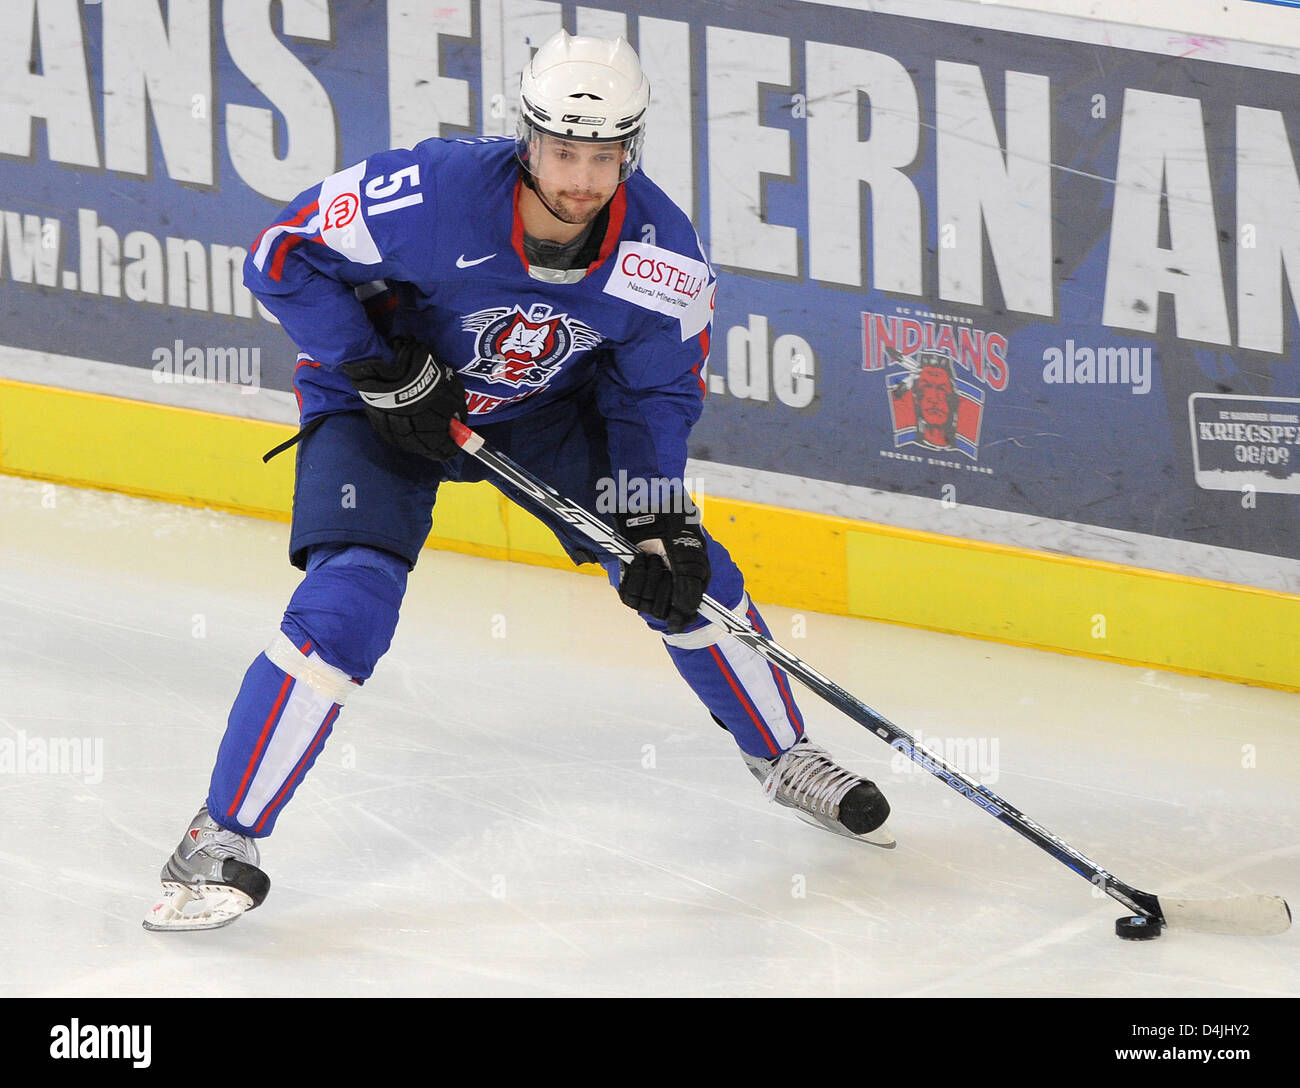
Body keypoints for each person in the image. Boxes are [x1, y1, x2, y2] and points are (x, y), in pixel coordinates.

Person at [144, 31, 892, 932]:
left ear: (631, 150)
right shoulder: (429, 192)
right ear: (527, 138)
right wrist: (376, 364)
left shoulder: (665, 257)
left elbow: (655, 390)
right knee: (349, 602)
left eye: (605, 155)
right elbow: (278, 254)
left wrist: (657, 513)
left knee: (690, 580)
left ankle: (785, 756)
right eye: (564, 152)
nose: (581, 180)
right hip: (380, 402)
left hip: (542, 416)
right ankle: (219, 837)